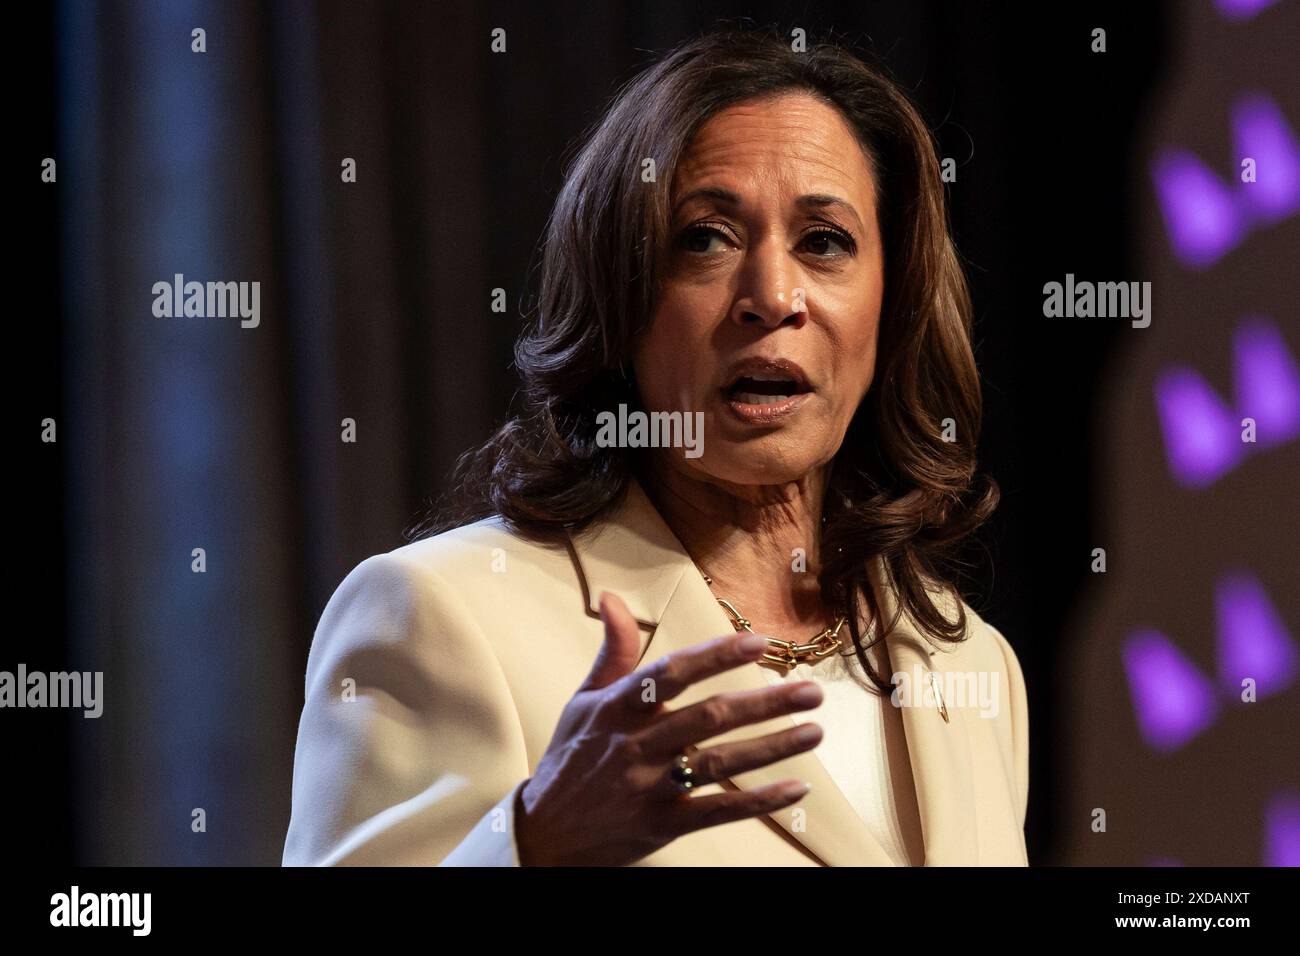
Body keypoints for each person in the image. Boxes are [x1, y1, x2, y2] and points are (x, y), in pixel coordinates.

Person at [282, 27, 1028, 867]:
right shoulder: (444, 613)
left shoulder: (970, 663)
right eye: (705, 237)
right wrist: (534, 846)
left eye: (824, 241)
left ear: (891, 309)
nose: (772, 297)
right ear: (622, 298)